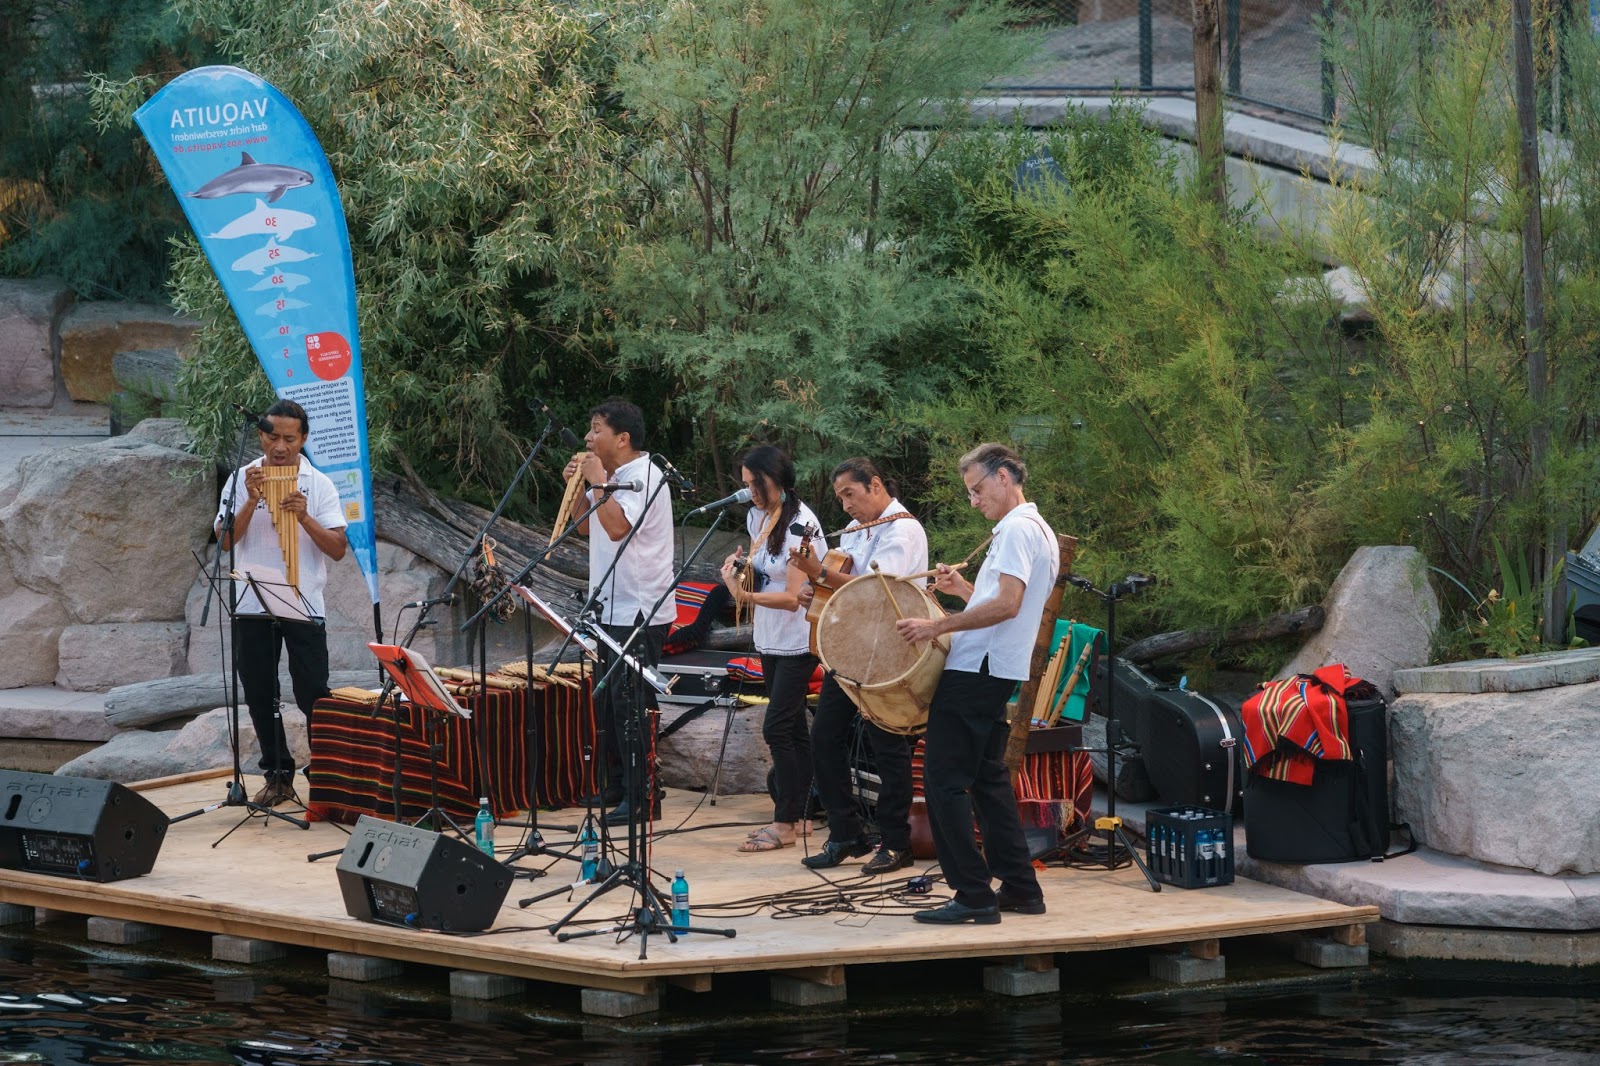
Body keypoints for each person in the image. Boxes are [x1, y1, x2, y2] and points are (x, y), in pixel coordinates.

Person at [894, 442, 1056, 924]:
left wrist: (936, 626)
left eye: (977, 489)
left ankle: (972, 894)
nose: (974, 500)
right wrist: (964, 592)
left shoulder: (1015, 531)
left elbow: (1008, 605)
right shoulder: (1038, 530)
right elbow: (1010, 603)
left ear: (1004, 477)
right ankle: (1021, 889)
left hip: (977, 669)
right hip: (998, 668)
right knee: (988, 781)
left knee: (943, 781)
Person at [788, 457, 928, 875]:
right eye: (840, 497)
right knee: (825, 736)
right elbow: (838, 582)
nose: (846, 504)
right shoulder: (854, 530)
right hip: (850, 650)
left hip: (889, 652)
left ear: (877, 485)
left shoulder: (904, 530)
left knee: (887, 747)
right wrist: (813, 589)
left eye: (850, 493)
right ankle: (847, 833)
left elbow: (875, 591)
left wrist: (816, 572)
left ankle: (896, 842)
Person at [215, 399, 348, 807]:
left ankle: (325, 776)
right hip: (253, 604)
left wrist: (305, 518)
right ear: (261, 436)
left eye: (290, 439)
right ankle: (277, 774)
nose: (280, 447)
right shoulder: (241, 479)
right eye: (273, 437)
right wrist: (252, 500)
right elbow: (223, 542)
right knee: (259, 692)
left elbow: (339, 549)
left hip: (304, 605)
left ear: (303, 439)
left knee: (313, 693)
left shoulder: (319, 483)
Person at [563, 398, 675, 827]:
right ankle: (615, 784)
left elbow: (616, 527)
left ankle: (643, 794)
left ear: (622, 438)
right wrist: (581, 486)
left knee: (631, 705)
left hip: (640, 607)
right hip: (611, 605)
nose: (589, 438)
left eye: (596, 430)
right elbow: (586, 525)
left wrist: (596, 481)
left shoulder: (644, 477)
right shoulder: (613, 478)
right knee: (609, 702)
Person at [720, 445, 823, 854]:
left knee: (777, 726)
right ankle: (800, 816)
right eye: (744, 485)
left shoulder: (802, 526)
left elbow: (794, 595)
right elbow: (765, 572)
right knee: (794, 727)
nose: (750, 492)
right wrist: (742, 568)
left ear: (777, 479)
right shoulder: (757, 516)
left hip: (798, 638)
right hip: (770, 636)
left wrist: (741, 593)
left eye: (756, 484)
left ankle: (784, 822)